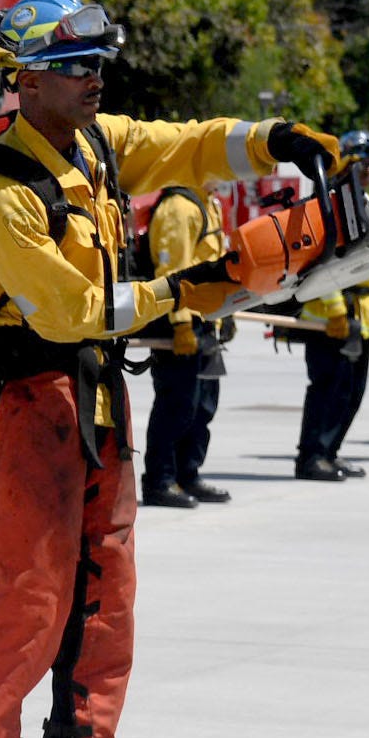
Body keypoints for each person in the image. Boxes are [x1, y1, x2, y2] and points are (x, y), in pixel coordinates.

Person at [0, 0, 336, 738]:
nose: (95, 79)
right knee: (30, 596)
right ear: (28, 82)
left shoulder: (97, 144)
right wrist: (190, 287)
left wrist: (276, 140)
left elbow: (188, 145)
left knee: (106, 590)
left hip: (95, 397)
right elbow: (70, 310)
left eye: (97, 64)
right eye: (75, 67)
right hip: (30, 397)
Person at [293, 131, 369, 482]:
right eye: (362, 163)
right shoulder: (326, 204)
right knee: (327, 389)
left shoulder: (368, 204)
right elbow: (321, 263)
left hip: (359, 317)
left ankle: (330, 452)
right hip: (329, 320)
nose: (368, 170)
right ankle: (311, 457)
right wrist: (335, 310)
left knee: (351, 392)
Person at [138, 184, 231, 508]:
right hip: (181, 322)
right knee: (176, 405)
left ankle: (187, 474)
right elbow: (171, 272)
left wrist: (225, 314)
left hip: (206, 319)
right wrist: (180, 323)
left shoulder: (208, 202)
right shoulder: (179, 206)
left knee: (203, 406)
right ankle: (160, 480)